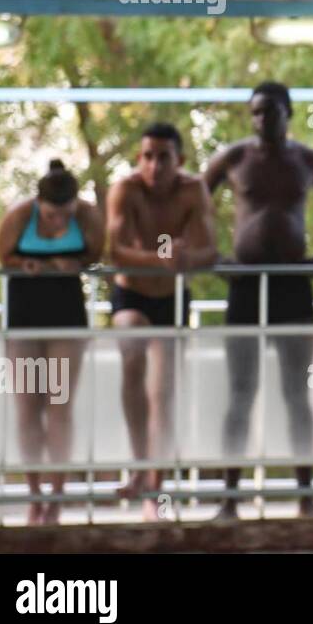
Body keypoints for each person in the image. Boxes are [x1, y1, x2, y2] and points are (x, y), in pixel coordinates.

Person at [204, 82, 313, 520]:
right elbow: (192, 204)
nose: (263, 120)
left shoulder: (309, 161)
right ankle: (229, 498)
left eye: (271, 112)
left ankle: (306, 496)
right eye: (256, 113)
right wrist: (214, 259)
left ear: (289, 112)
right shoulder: (233, 158)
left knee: (297, 394)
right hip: (244, 285)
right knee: (240, 393)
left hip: (293, 285)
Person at [106, 122, 218, 520]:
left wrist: (187, 257)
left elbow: (210, 252)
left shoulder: (192, 190)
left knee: (163, 389)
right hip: (131, 293)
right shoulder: (126, 190)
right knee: (132, 353)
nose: (154, 166)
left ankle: (155, 489)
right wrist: (160, 258)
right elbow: (113, 251)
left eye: (163, 157)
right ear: (139, 159)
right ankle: (137, 465)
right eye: (147, 157)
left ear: (180, 160)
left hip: (171, 297)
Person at [0, 159, 105, 525]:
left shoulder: (88, 216)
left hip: (66, 312)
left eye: (65, 214)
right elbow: (4, 257)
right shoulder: (18, 216)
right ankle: (34, 494)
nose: (59, 222)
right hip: (25, 312)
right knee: (28, 407)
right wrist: (24, 266)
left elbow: (95, 255)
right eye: (52, 215)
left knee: (59, 405)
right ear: (40, 204)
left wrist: (75, 265)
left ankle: (57, 494)